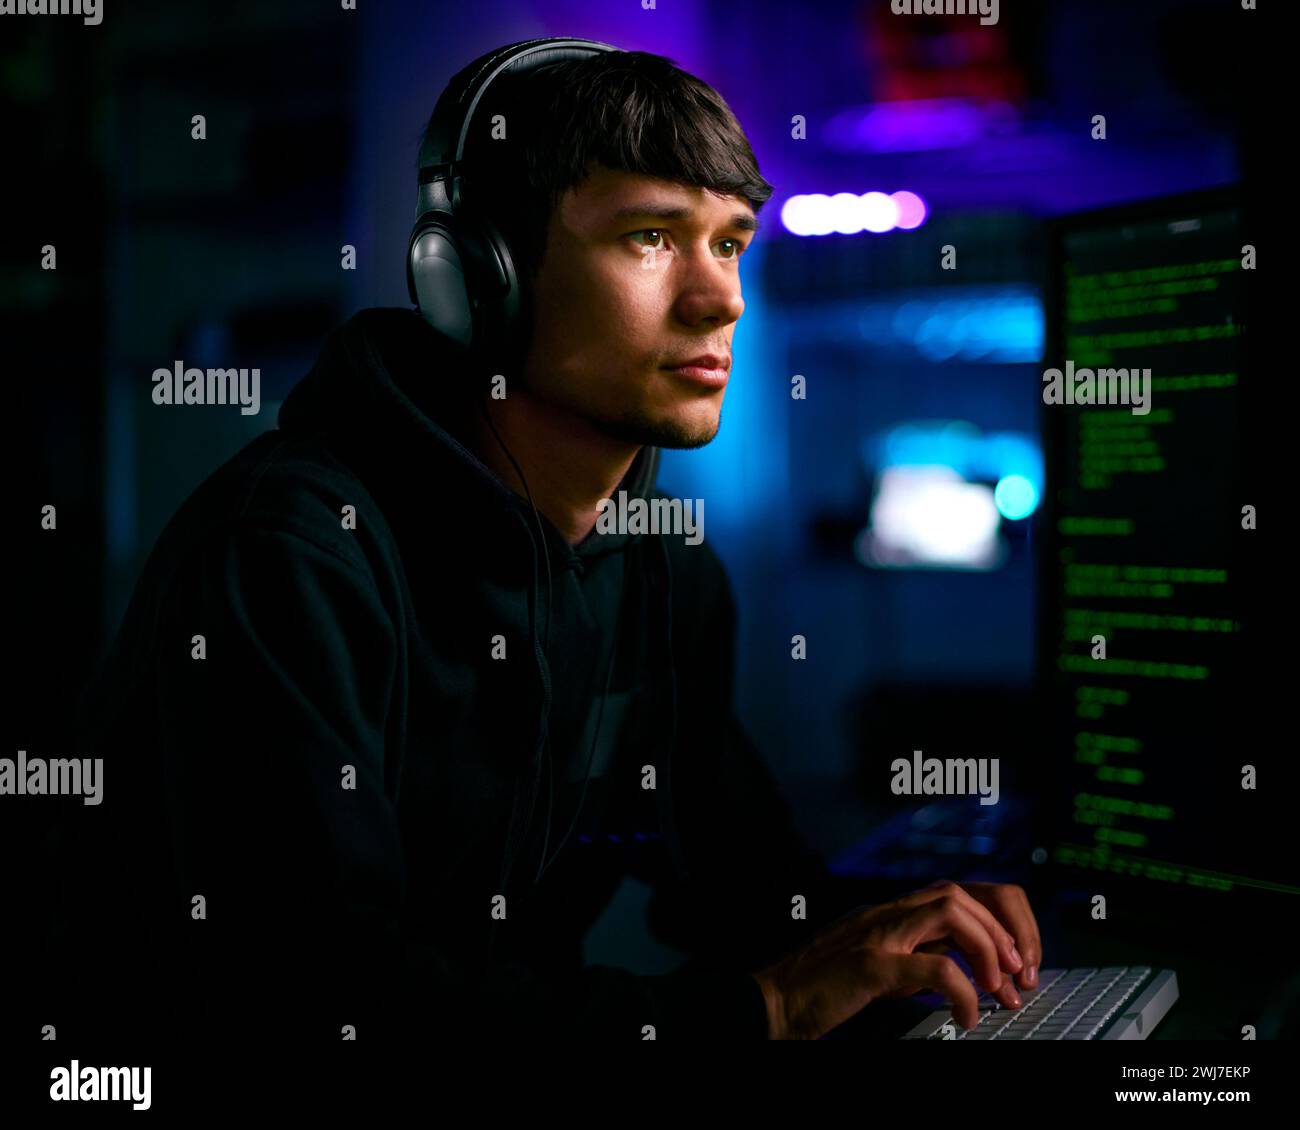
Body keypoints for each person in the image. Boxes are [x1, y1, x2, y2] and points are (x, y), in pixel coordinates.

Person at [47, 45, 1040, 1046]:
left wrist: (901, 938)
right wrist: (765, 1008)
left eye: (730, 243)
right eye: (651, 237)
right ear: (478, 278)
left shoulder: (658, 565)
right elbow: (323, 999)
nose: (720, 299)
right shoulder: (287, 553)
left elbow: (741, 878)